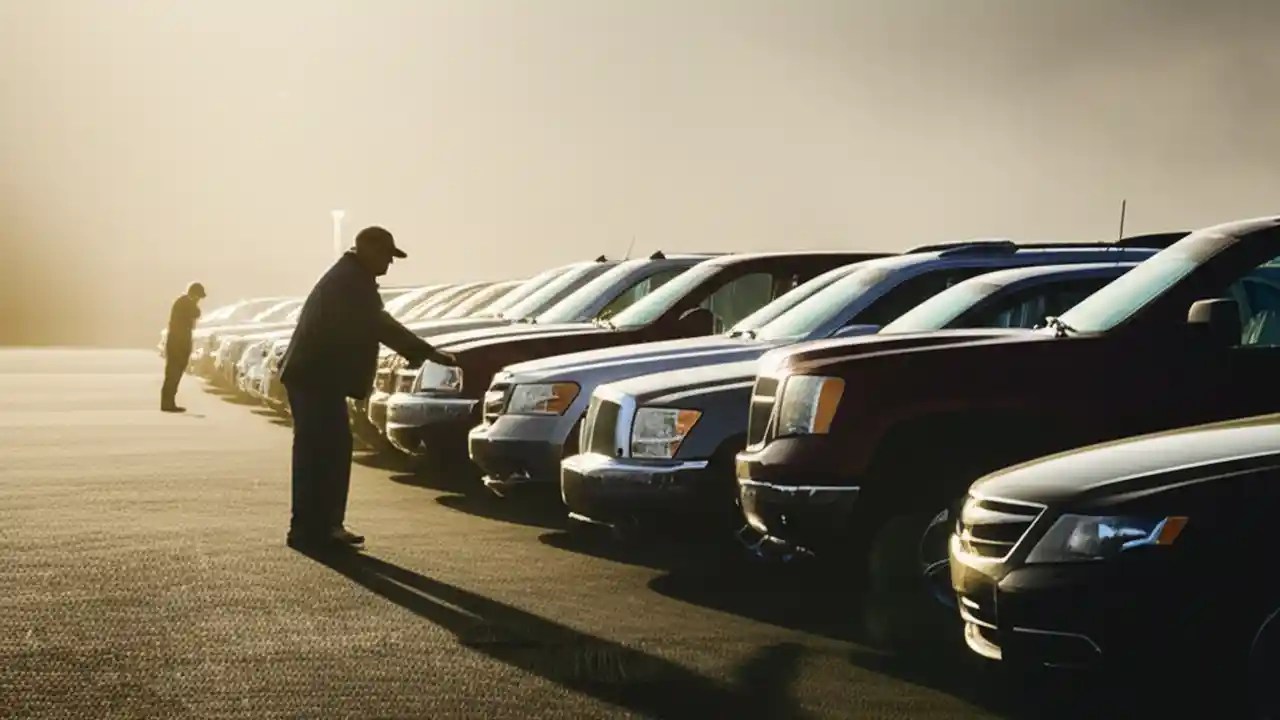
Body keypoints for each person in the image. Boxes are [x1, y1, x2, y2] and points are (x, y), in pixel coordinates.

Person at [279, 226, 455, 551]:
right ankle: (315, 529)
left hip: (313, 376)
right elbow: (379, 324)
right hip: (316, 378)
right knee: (324, 452)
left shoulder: (348, 276)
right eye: (387, 256)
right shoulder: (352, 282)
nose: (389, 264)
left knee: (320, 452)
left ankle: (315, 527)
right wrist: (425, 352)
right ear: (368, 251)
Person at [162, 281, 206, 412]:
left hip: (180, 341)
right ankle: (167, 403)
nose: (199, 300)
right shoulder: (185, 302)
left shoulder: (184, 302)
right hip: (177, 343)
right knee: (173, 373)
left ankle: (169, 402)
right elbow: (196, 313)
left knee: (175, 372)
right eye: (198, 297)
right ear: (194, 294)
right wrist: (194, 304)